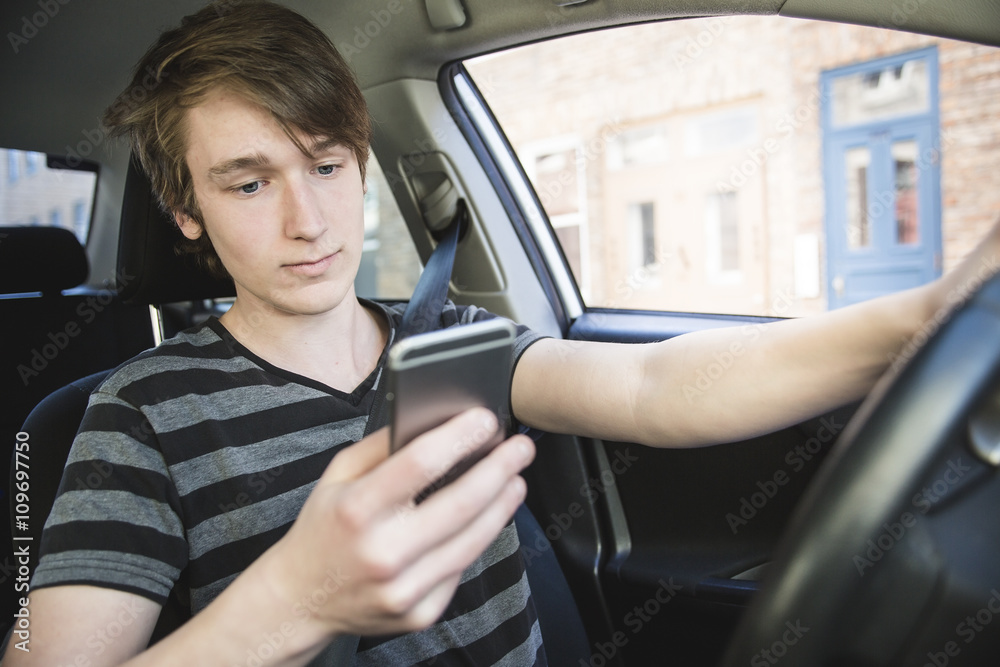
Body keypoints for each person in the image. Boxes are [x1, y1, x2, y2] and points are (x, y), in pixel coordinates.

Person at [5, 1, 999, 666]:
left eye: (326, 165)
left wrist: (924, 315)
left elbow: (657, 390)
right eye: (249, 182)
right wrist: (296, 599)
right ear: (188, 215)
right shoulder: (132, 417)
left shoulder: (448, 345)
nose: (308, 221)